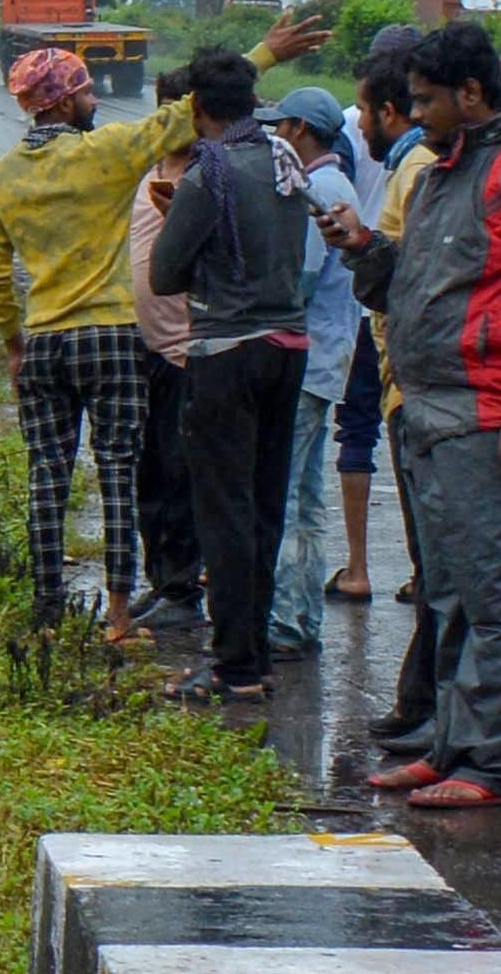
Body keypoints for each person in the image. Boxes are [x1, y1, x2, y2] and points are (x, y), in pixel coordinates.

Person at [325, 21, 501, 810]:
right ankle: (451, 747)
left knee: (499, 589)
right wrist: (359, 249)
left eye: (425, 100)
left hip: (496, 418)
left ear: (472, 94)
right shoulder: (447, 167)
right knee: (447, 590)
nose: (414, 116)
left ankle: (495, 766)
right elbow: (408, 283)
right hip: (432, 413)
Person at [0, 18, 321, 631]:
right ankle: (115, 613)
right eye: (85, 92)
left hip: (46, 340)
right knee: (117, 474)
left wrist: (12, 344)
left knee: (47, 475)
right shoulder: (104, 154)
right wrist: (263, 52)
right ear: (64, 100)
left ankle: (48, 609)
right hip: (110, 335)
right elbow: (188, 113)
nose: (94, 100)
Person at [148, 51, 320, 701]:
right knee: (264, 507)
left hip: (227, 353)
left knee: (223, 510)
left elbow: (165, 274)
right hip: (288, 347)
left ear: (196, 110)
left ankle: (235, 666)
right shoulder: (284, 160)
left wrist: (180, 225)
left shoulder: (208, 172)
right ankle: (255, 656)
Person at [262, 85, 368, 655]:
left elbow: (298, 276)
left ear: (301, 129)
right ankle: (298, 618)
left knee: (286, 491)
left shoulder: (316, 190)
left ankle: (285, 619)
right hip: (328, 356)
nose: (277, 137)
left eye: (281, 127)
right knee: (304, 494)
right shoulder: (337, 184)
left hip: (306, 360)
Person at [324, 62, 425, 604]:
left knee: (366, 437)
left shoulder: (417, 164)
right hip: (381, 327)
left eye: (365, 111)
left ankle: (365, 566)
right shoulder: (414, 157)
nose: (359, 122)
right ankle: (417, 571)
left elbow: (416, 268)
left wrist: (361, 245)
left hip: (388, 333)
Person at [127, 72, 205, 627]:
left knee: (183, 472)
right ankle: (161, 580)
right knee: (147, 470)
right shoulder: (139, 172)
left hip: (189, 347)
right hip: (139, 346)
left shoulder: (208, 177)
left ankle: (182, 589)